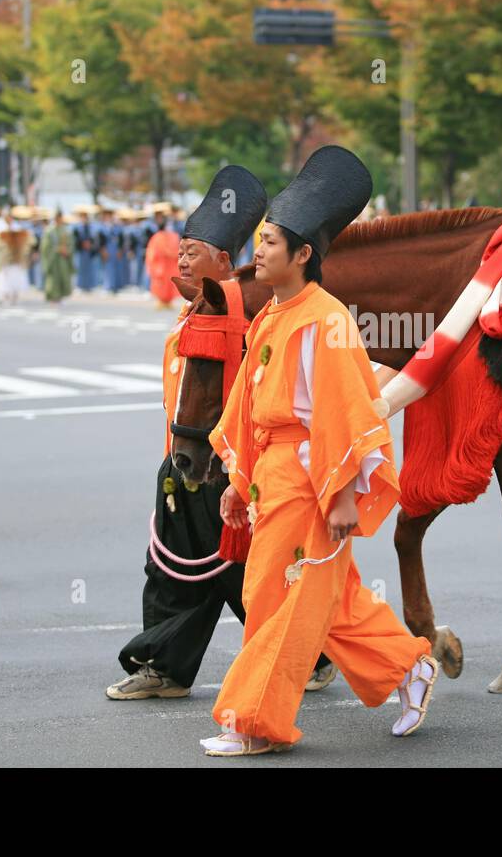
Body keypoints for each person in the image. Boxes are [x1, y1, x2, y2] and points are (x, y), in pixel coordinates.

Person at [201, 146, 437, 757]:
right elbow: (250, 409)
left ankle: (254, 722)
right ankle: (409, 668)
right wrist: (238, 478)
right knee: (327, 599)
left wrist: (344, 495)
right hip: (272, 476)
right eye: (260, 238)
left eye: (272, 241)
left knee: (278, 598)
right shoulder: (273, 316)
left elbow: (347, 414)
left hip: (312, 480)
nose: (260, 251)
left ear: (304, 254)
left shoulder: (325, 319)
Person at [108, 166, 337, 701]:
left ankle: (309, 654)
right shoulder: (194, 314)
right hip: (184, 459)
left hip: (227, 465)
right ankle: (172, 665)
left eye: (195, 250)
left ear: (223, 264)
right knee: (181, 572)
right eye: (181, 248)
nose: (182, 258)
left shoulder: (246, 309)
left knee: (238, 573)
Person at [145, 207, 181, 309]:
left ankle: (166, 301)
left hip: (165, 264)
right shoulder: (172, 236)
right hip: (164, 264)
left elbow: (152, 252)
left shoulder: (158, 236)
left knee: (166, 283)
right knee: (164, 283)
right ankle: (164, 301)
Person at [0, 216, 32, 305]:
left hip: (17, 258)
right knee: (5, 278)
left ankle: (15, 296)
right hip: (6, 258)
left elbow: (26, 241)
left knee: (16, 278)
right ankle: (6, 297)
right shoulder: (0, 228)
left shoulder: (18, 228)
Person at [40, 209, 75, 303]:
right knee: (53, 279)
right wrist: (56, 249)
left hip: (63, 258)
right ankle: (53, 297)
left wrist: (67, 250)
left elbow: (71, 244)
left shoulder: (66, 231)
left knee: (63, 277)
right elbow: (45, 247)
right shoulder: (49, 231)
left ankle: (61, 296)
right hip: (53, 259)